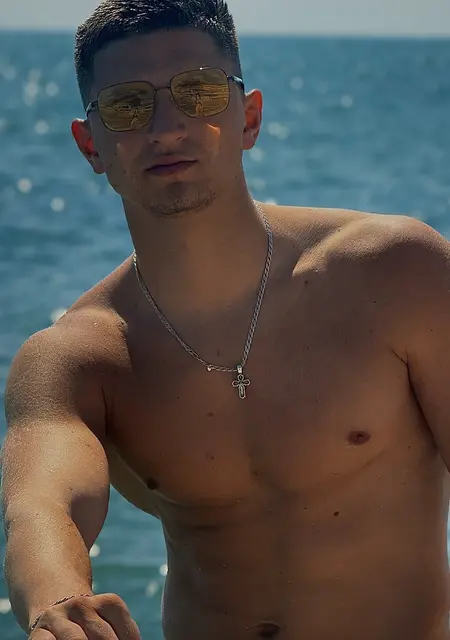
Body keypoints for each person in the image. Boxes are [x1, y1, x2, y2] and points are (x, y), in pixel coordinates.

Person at [2, 0, 450, 638]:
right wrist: (57, 601)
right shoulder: (80, 359)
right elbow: (41, 508)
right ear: (89, 144)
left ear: (249, 117)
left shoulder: (397, 273)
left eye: (199, 93)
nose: (166, 128)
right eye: (128, 106)